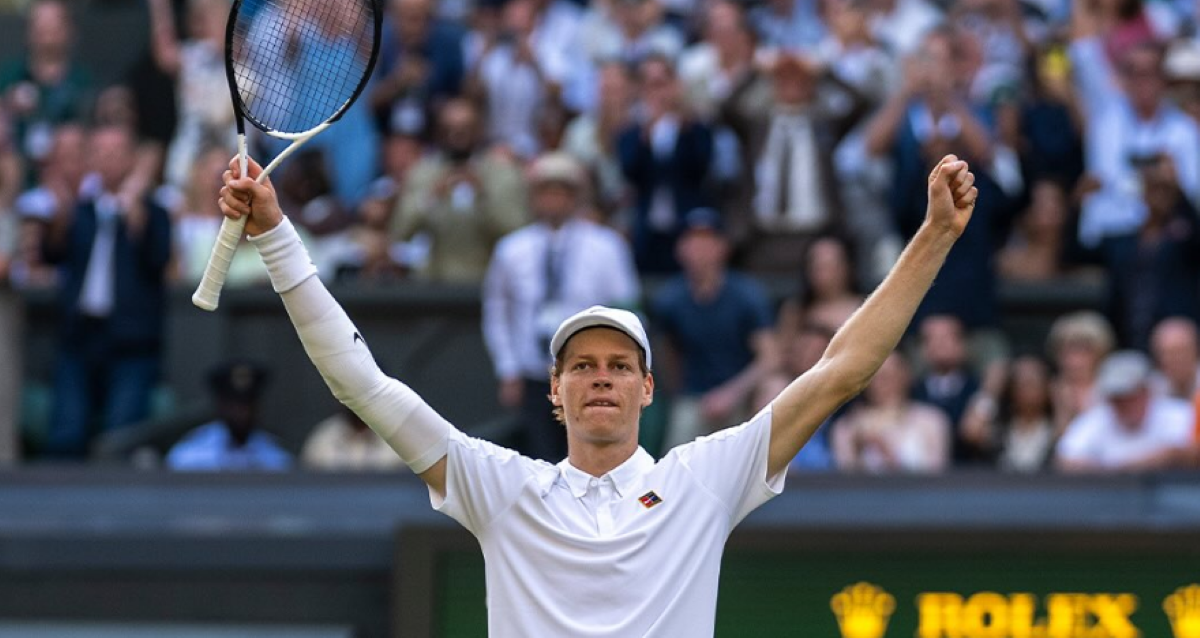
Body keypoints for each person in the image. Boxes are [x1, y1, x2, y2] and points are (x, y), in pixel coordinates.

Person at [216, 152, 977, 636]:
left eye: (618, 364)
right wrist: (277, 236)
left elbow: (842, 369)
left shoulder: (702, 480)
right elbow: (359, 381)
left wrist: (935, 236)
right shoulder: (501, 487)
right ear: (555, 390)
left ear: (648, 386)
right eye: (582, 366)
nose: (601, 376)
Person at [482, 151, 640, 461]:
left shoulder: (606, 247)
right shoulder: (511, 250)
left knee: (590, 454)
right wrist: (508, 368)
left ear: (577, 197)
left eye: (562, 192)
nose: (554, 200)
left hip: (588, 370)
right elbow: (497, 313)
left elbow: (627, 310)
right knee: (539, 458)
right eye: (546, 192)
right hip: (533, 371)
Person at [1055, 350, 1196, 472]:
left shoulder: (1179, 415)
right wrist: (1122, 469)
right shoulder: (1096, 419)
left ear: (1146, 391)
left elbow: (1193, 453)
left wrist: (1173, 455)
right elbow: (1066, 459)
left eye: (1130, 396)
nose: (1123, 404)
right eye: (1117, 398)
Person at [167, 359, 292, 471]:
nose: (241, 412)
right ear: (220, 405)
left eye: (247, 403)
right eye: (233, 405)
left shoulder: (275, 456)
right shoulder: (191, 454)